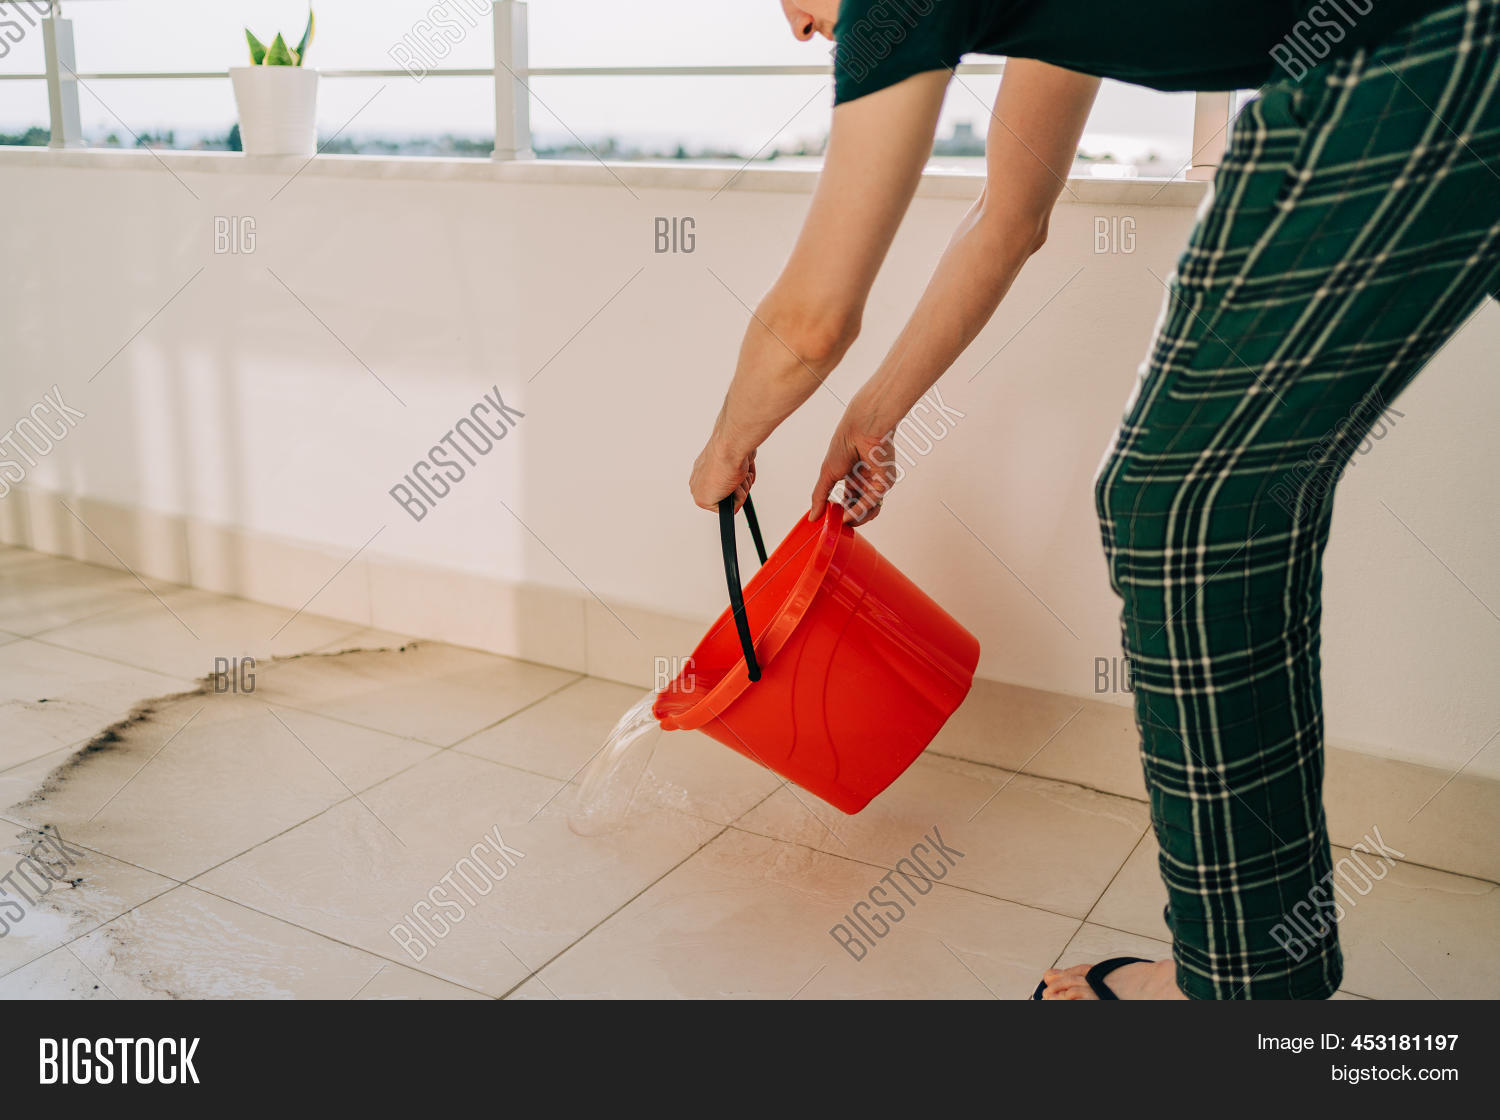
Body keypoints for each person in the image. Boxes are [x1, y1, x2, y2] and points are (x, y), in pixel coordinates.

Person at [688, 0, 1497, 999]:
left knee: (1182, 504)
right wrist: (874, 413)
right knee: (1190, 497)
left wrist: (724, 448)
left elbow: (812, 318)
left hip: (1436, 38)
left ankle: (1244, 985)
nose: (794, 25)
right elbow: (1009, 218)